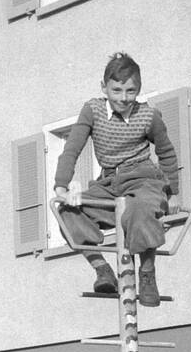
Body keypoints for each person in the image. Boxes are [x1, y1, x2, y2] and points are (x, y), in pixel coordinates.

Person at [51, 51, 180, 305]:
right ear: (104, 88)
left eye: (130, 91)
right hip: (109, 184)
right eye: (117, 90)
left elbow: (166, 152)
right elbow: (72, 148)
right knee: (66, 211)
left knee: (140, 209)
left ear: (139, 89)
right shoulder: (93, 110)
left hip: (143, 179)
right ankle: (102, 269)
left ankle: (147, 272)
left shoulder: (148, 116)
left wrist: (173, 192)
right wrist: (61, 186)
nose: (124, 98)